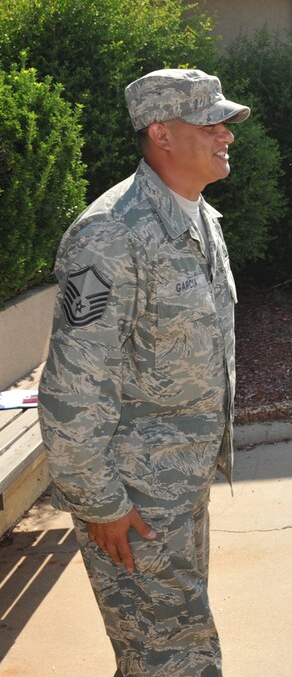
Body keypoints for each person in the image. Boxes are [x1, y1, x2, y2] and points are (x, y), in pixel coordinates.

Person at [38, 69, 248, 674]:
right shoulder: (109, 235)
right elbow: (72, 391)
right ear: (160, 132)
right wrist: (100, 504)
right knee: (174, 660)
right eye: (209, 123)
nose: (225, 134)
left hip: (178, 492)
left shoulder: (197, 217)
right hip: (134, 499)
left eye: (224, 121)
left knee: (157, 654)